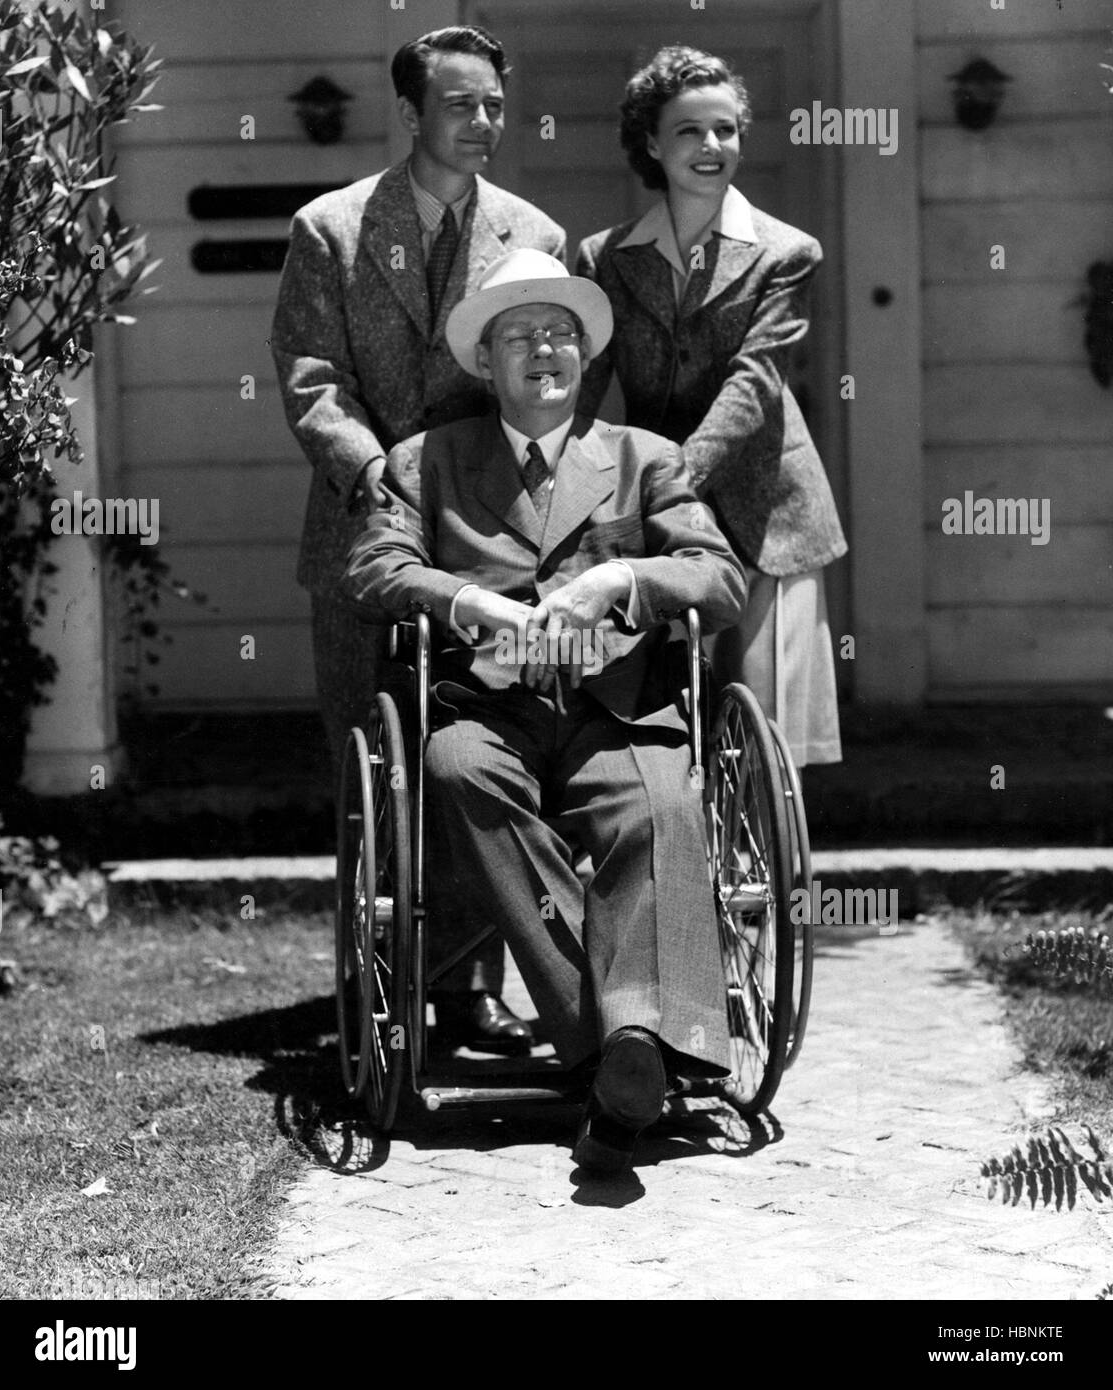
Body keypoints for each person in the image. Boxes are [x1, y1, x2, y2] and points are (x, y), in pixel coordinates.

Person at [341, 249, 746, 1175]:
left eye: (561, 333)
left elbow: (719, 579)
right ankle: (626, 1046)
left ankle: (621, 1057)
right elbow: (373, 569)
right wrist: (463, 600)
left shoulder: (646, 459)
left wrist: (620, 576)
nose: (545, 351)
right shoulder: (429, 462)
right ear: (485, 360)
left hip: (616, 712)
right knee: (452, 768)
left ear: (585, 354)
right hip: (491, 710)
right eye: (520, 336)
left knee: (665, 806)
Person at [272, 25, 566, 1051]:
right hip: (362, 533)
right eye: (459, 104)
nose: (482, 122)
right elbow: (312, 380)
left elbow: (540, 382)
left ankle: (471, 986)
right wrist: (376, 472)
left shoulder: (534, 235)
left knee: (477, 753)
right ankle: (378, 974)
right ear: (409, 112)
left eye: (493, 103)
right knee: (369, 757)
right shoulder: (333, 229)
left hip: (488, 537)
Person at [577, 46, 847, 768]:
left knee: (767, 741)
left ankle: (772, 880)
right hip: (652, 519)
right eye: (691, 131)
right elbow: (586, 381)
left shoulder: (787, 253)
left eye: (726, 130)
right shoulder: (605, 258)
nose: (712, 146)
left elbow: (755, 380)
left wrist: (677, 472)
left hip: (769, 513)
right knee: (658, 731)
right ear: (651, 142)